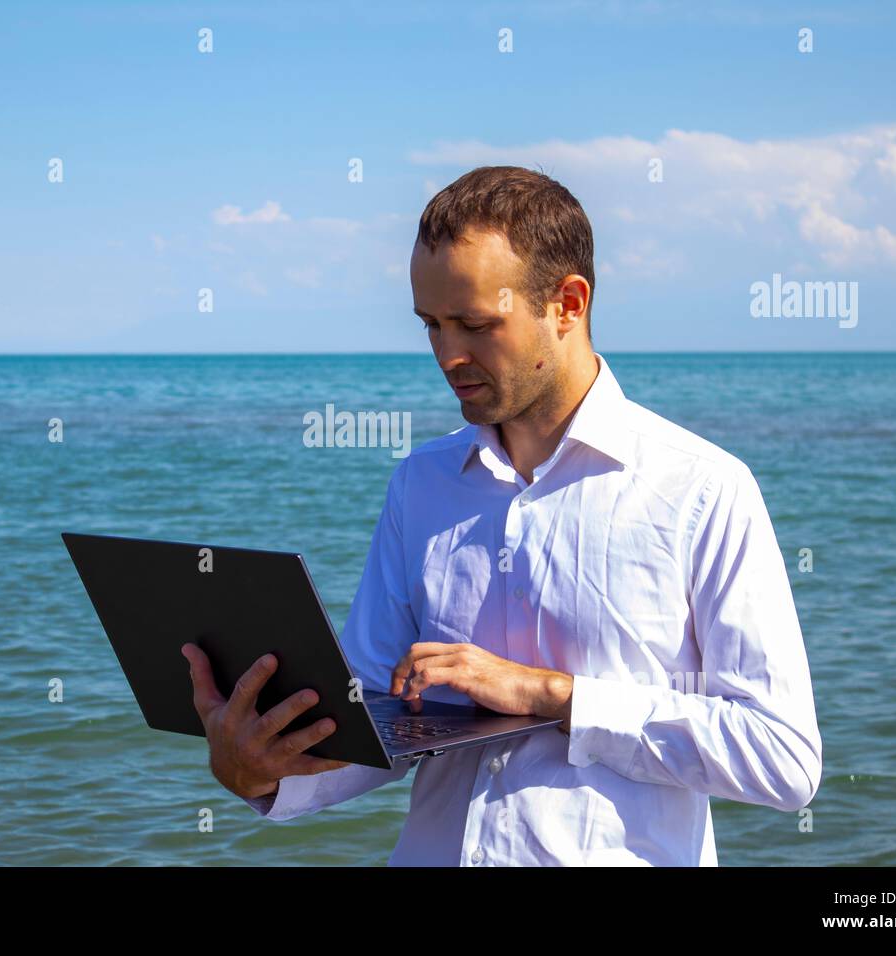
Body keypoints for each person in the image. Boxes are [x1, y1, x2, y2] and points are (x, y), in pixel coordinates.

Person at [182, 165, 823, 865]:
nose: (448, 355)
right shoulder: (420, 484)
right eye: (431, 325)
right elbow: (379, 724)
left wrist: (548, 694)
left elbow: (782, 757)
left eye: (477, 324)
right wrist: (262, 772)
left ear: (568, 304)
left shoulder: (703, 489)